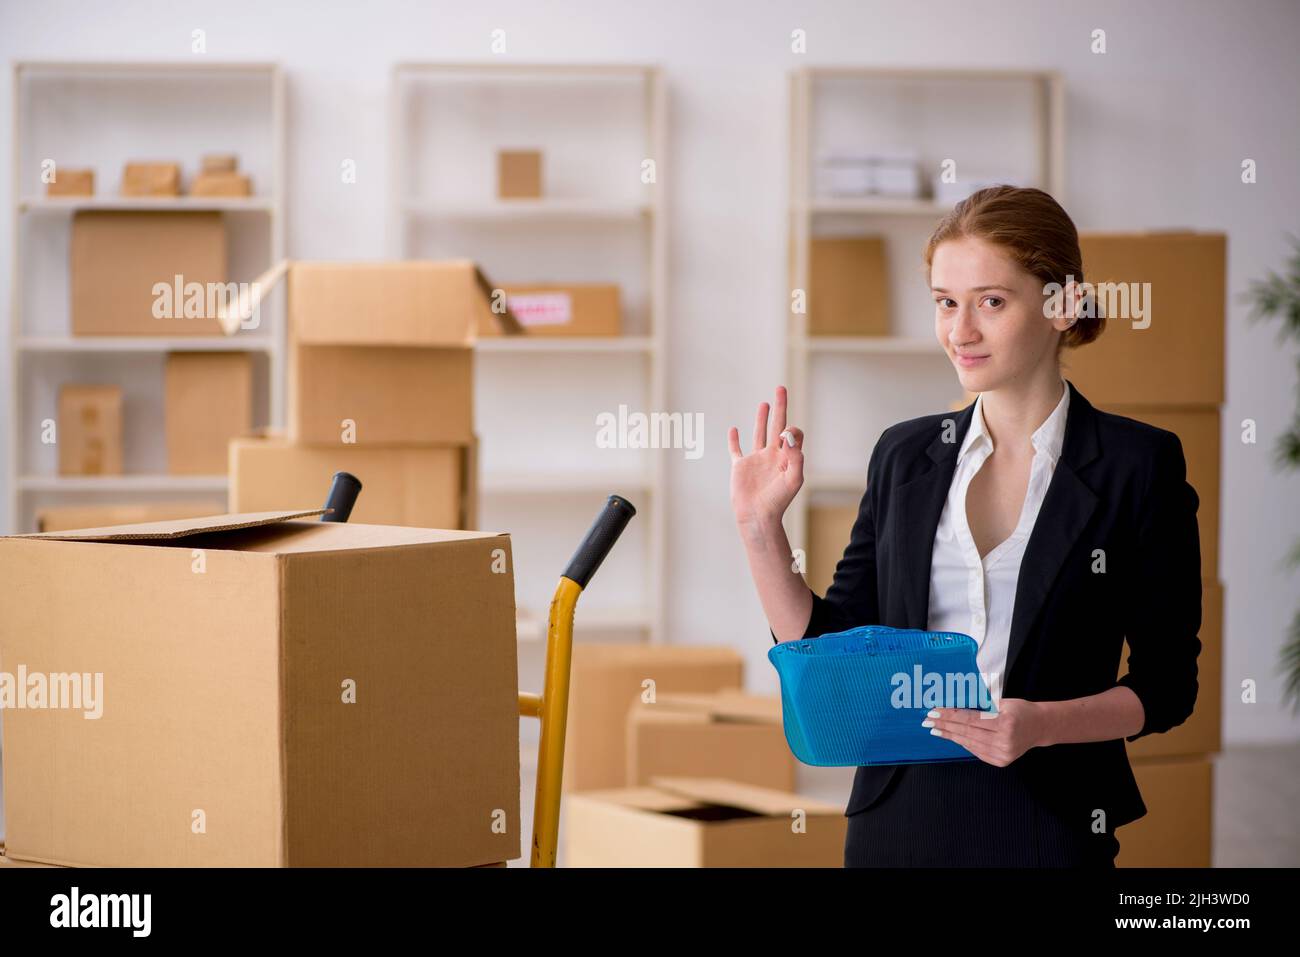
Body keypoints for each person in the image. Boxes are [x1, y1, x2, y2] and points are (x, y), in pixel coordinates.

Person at [728, 185, 1202, 867]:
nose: (960, 331)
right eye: (946, 302)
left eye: (991, 301)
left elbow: (1166, 686)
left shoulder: (1138, 464)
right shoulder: (903, 454)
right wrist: (759, 528)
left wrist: (1039, 724)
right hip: (899, 807)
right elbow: (832, 648)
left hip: (1052, 810)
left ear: (1062, 304)